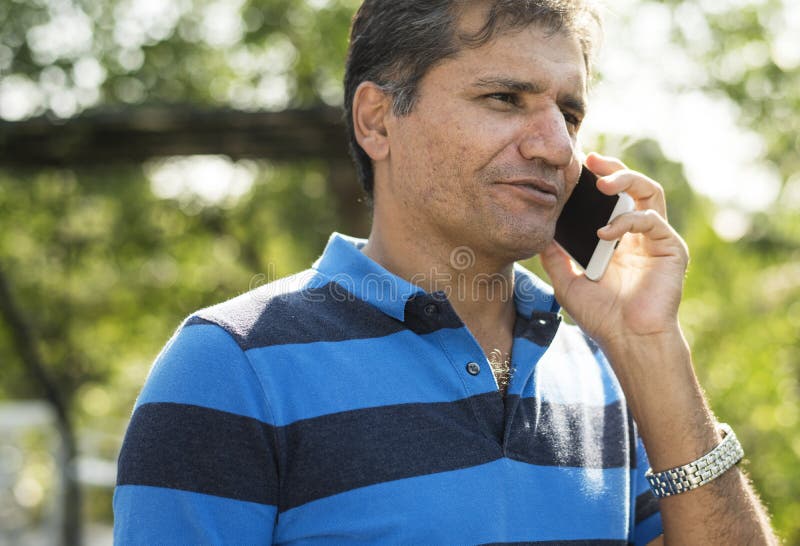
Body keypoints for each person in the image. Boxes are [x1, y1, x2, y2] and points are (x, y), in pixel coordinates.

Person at [114, 1, 778, 544]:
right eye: (506, 98)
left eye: (569, 114)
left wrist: (653, 352)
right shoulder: (230, 368)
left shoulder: (605, 372)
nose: (555, 146)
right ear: (378, 120)